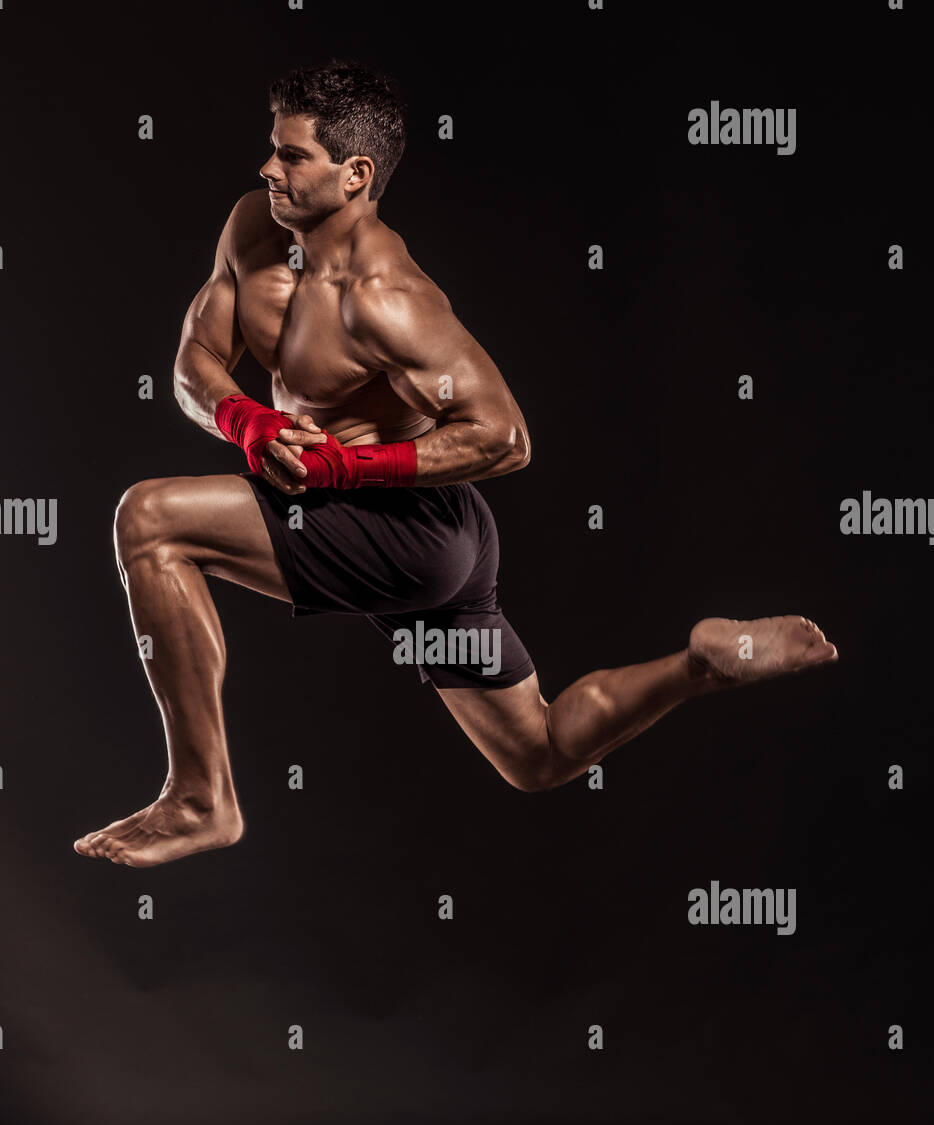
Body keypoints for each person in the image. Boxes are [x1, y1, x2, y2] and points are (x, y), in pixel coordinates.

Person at [73, 61, 837, 868]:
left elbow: (504, 436)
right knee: (537, 754)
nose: (269, 168)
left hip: (409, 533)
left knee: (149, 521)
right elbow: (195, 359)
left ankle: (202, 799)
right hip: (427, 546)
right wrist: (248, 419)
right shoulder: (252, 229)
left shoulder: (386, 297)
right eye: (273, 148)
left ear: (355, 174)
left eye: (293, 156)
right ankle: (700, 664)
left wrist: (341, 471)